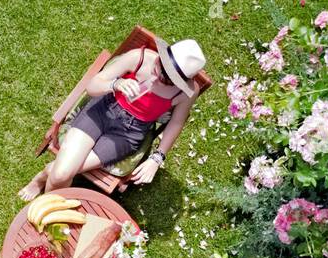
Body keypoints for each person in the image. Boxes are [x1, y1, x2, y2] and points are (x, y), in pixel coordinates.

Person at [19, 38, 206, 201]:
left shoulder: (188, 92)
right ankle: (45, 190)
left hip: (127, 134)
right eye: (160, 66)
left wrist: (157, 158)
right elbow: (92, 86)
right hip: (102, 111)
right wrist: (116, 84)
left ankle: (46, 177)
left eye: (168, 79)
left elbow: (176, 123)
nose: (159, 76)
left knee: (60, 173)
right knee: (61, 173)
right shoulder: (139, 58)